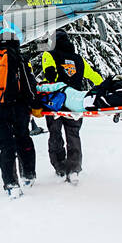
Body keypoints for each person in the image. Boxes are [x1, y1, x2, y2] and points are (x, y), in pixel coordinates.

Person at [0, 24, 42, 198]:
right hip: (17, 108)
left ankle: (10, 183)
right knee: (23, 140)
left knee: (6, 147)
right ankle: (28, 175)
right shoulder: (17, 57)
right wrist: (35, 104)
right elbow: (27, 84)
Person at [39, 29, 103, 184]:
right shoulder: (79, 59)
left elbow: (50, 75)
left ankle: (59, 167)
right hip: (75, 103)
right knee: (73, 134)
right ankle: (74, 169)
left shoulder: (49, 55)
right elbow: (96, 78)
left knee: (55, 134)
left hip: (55, 103)